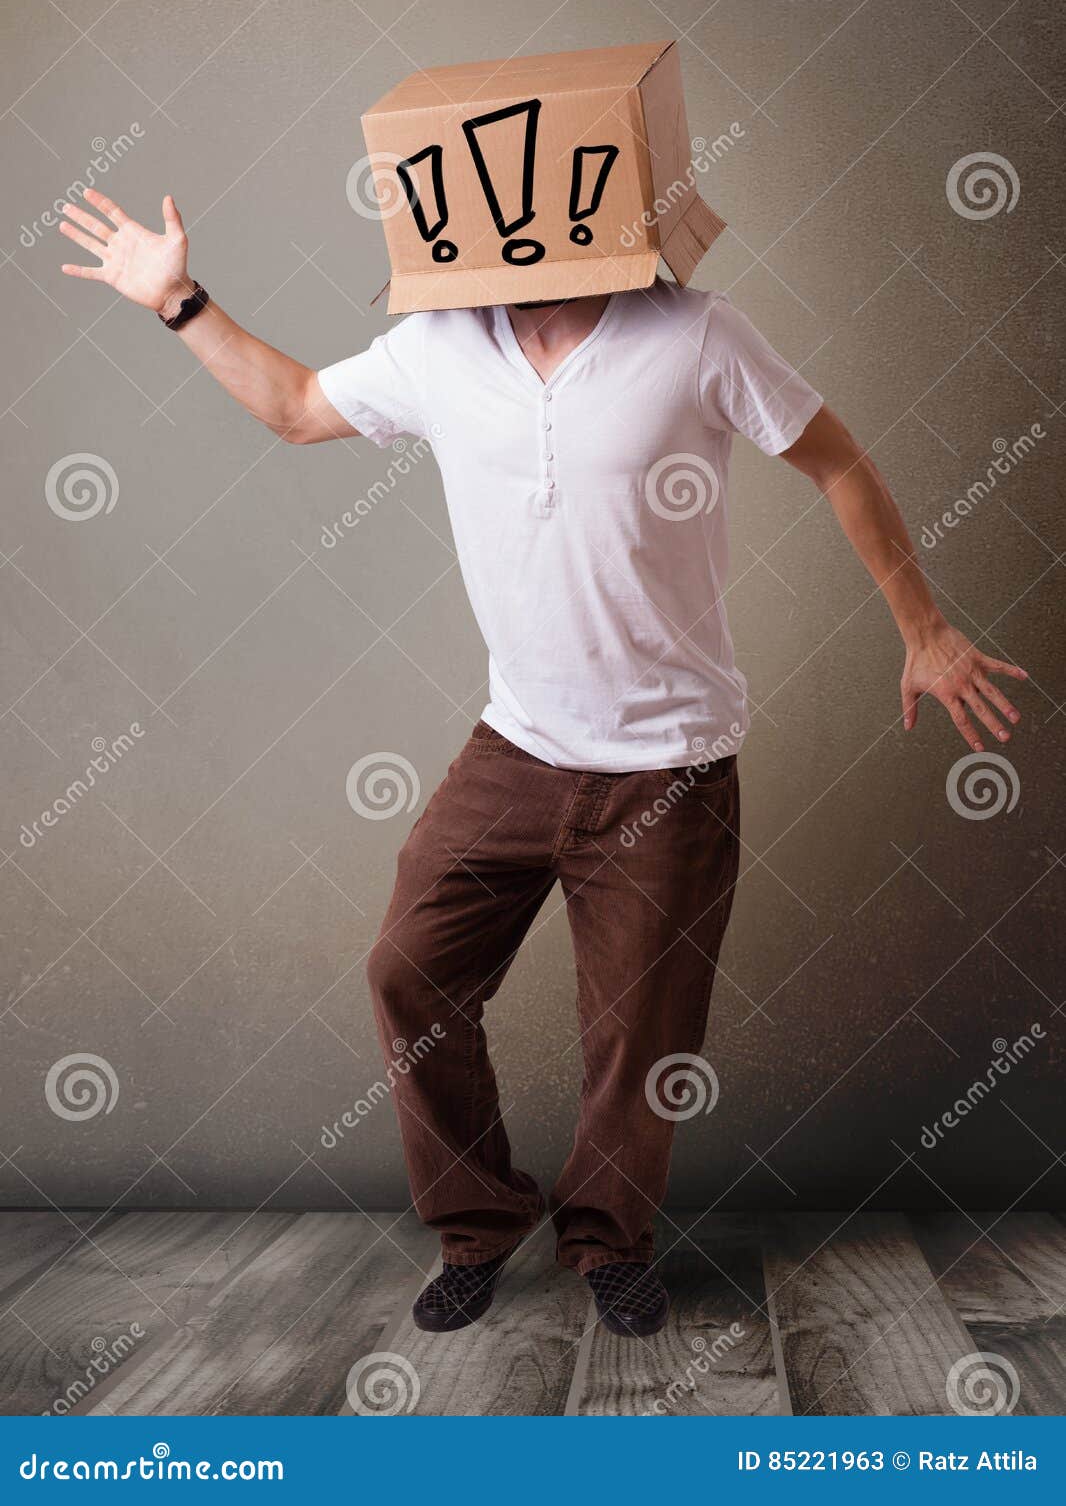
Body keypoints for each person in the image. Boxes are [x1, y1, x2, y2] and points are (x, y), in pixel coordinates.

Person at [61, 188, 1027, 1338]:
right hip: (515, 747)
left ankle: (608, 1241)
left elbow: (836, 459)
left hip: (671, 766)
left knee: (638, 1036)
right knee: (408, 973)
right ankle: (478, 1224)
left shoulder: (696, 334)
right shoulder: (438, 346)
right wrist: (176, 299)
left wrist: (921, 626)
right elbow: (297, 406)